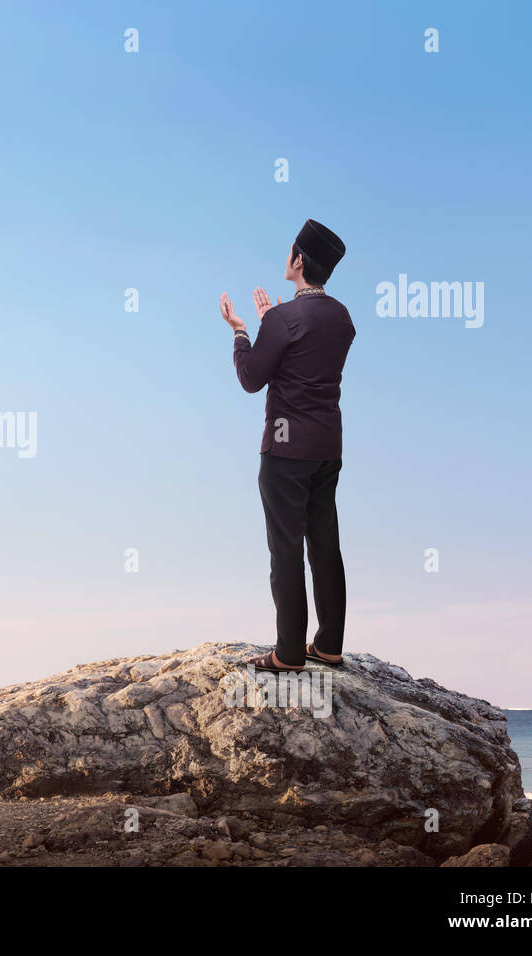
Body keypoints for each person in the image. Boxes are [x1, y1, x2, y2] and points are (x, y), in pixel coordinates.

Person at [218, 219, 355, 673]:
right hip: (327, 446)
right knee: (325, 545)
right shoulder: (341, 318)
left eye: (289, 251)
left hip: (284, 451)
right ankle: (329, 646)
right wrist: (272, 324)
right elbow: (306, 356)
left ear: (298, 261)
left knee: (285, 552)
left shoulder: (283, 319)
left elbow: (252, 378)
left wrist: (242, 333)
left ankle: (289, 653)